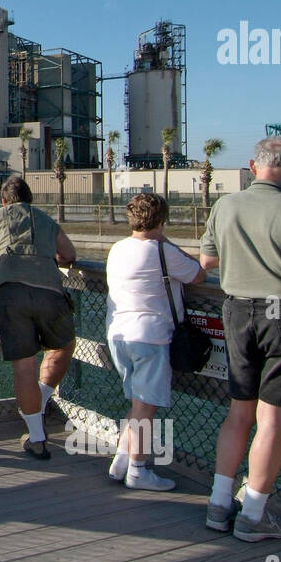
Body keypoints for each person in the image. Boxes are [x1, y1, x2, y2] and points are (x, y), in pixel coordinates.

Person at [199, 136, 281, 540]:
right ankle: (253, 515)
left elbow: (207, 261)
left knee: (239, 412)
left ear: (253, 166)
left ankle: (218, 504)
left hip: (237, 311)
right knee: (272, 420)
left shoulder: (225, 206)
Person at [0, 174, 78, 460]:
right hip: (50, 292)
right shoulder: (45, 219)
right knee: (64, 344)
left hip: (11, 295)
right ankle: (39, 398)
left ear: (4, 201)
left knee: (24, 365)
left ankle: (37, 436)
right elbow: (68, 253)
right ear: (31, 199)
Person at [104, 193, 207, 490]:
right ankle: (138, 470)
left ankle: (120, 462)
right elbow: (197, 274)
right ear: (162, 220)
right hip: (150, 336)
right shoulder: (162, 251)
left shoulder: (118, 248)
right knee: (146, 407)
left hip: (118, 333)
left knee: (138, 402)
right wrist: (167, 242)